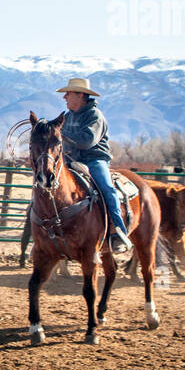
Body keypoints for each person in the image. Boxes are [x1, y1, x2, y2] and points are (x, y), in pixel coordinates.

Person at [57, 77, 130, 253]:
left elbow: (86, 141)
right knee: (49, 186)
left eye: (68, 93)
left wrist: (61, 131)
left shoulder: (95, 116)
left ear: (80, 95)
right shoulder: (68, 116)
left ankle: (118, 231)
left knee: (106, 188)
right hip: (71, 159)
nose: (64, 97)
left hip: (94, 159)